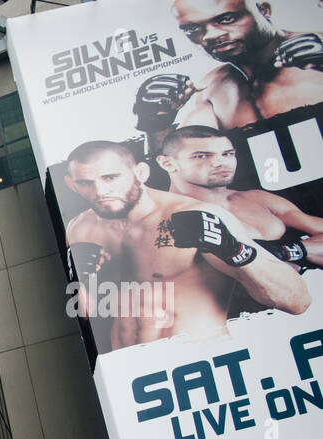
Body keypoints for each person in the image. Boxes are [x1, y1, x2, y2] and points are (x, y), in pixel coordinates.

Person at [62, 140, 310, 350]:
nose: (100, 191)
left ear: (140, 173)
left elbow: (297, 301)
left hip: (201, 356)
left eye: (111, 177)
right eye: (86, 183)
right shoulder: (80, 229)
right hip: (131, 367)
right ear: (72, 185)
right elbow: (85, 317)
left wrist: (237, 252)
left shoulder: (197, 215)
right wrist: (82, 281)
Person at [133, 0, 323, 148]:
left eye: (226, 19)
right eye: (192, 28)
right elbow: (177, 167)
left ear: (264, 10)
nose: (210, 36)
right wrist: (155, 121)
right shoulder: (211, 89)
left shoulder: (317, 52)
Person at [157, 125, 323, 267]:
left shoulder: (256, 199)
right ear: (167, 163)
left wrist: (286, 252)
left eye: (227, 154)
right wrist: (301, 250)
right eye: (201, 156)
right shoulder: (164, 219)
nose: (220, 162)